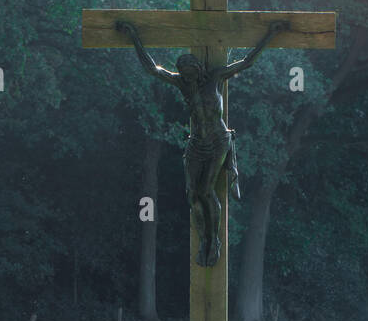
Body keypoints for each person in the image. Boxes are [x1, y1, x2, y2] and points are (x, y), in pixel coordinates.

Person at [115, 18, 290, 267]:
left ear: (199, 69)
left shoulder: (215, 78)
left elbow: (247, 62)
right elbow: (153, 69)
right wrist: (133, 37)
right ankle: (204, 239)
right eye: (184, 72)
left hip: (218, 140)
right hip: (196, 143)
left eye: (191, 71)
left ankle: (214, 241)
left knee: (206, 190)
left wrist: (270, 35)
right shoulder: (182, 85)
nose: (189, 76)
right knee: (193, 195)